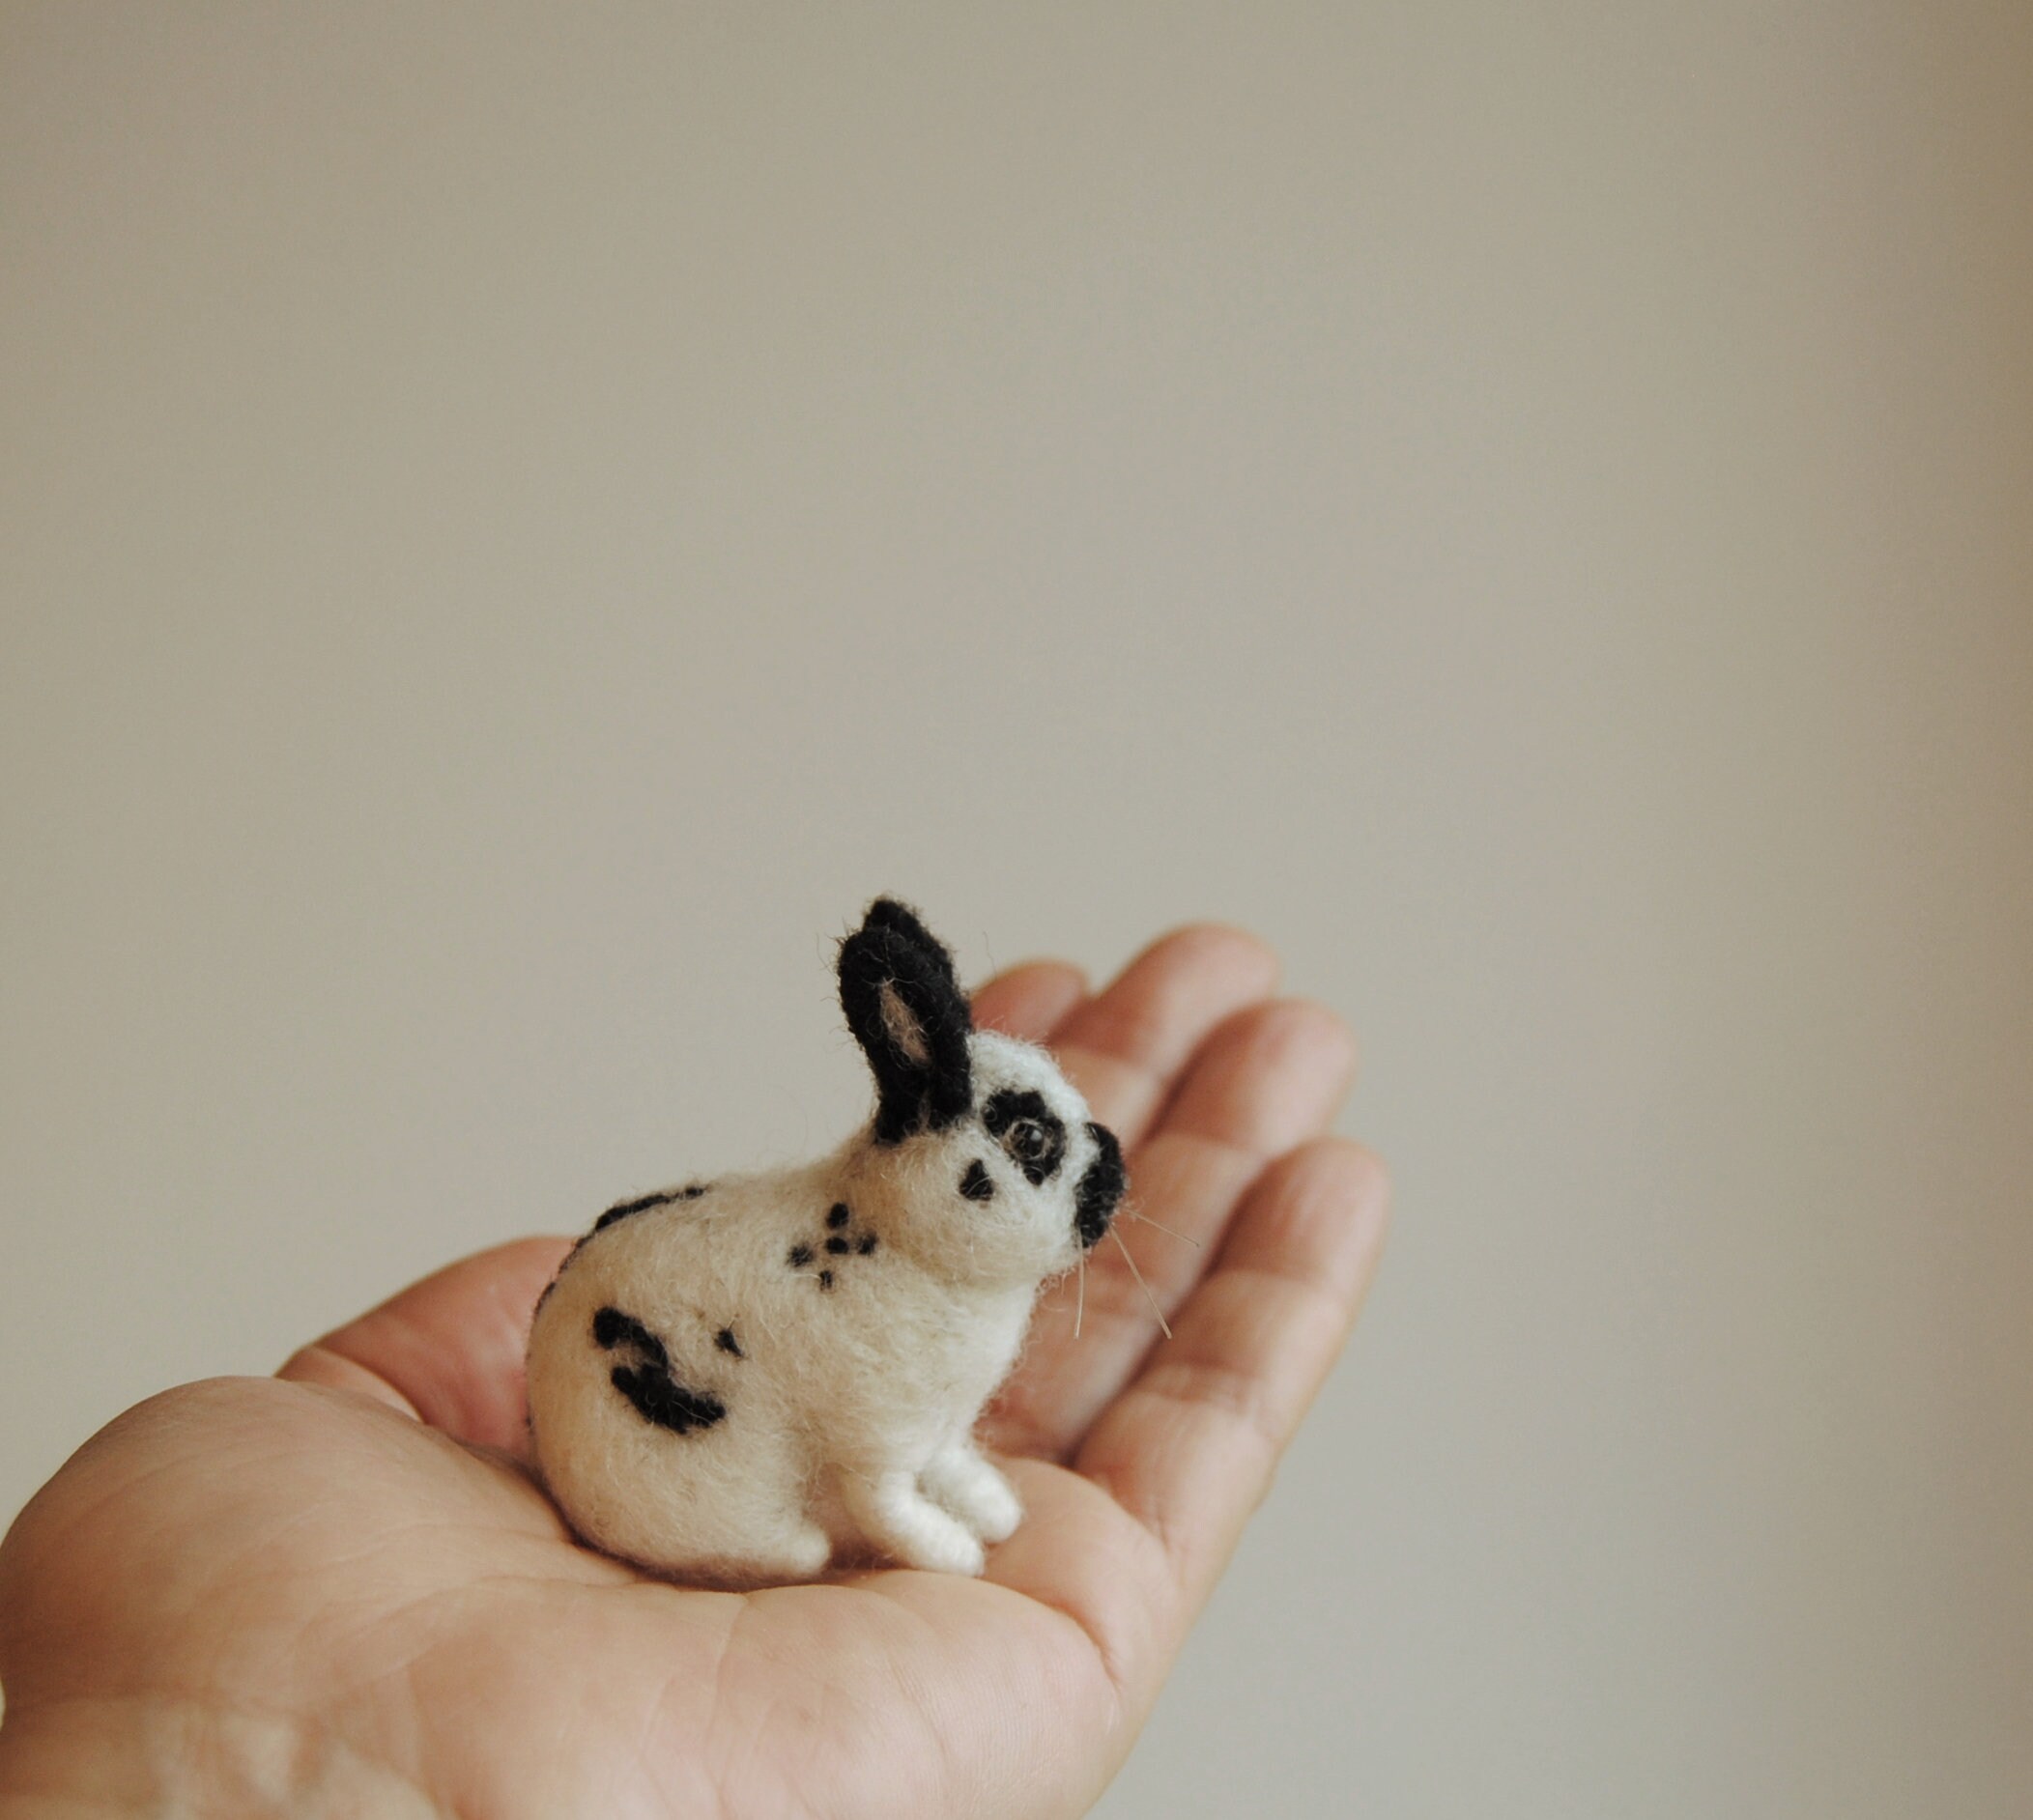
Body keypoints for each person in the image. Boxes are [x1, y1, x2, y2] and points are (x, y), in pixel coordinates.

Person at [0, 926, 1388, 1817]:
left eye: (1068, 1142)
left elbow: (904, 1402)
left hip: (712, 1371)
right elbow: (856, 1421)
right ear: (931, 1153)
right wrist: (892, 1512)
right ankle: (840, 1505)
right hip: (670, 1455)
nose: (1089, 1185)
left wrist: (939, 1455)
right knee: (830, 1477)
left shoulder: (905, 1277)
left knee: (903, 1436)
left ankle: (923, 1480)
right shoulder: (856, 1285)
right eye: (1034, 1154)